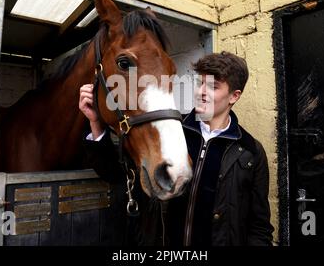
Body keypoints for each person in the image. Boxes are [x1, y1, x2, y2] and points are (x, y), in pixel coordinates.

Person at [79, 51, 274, 246]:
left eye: (213, 87)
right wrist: (95, 123)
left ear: (234, 96)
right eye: (200, 84)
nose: (201, 93)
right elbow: (115, 173)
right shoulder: (170, 132)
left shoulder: (250, 152)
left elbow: (259, 227)